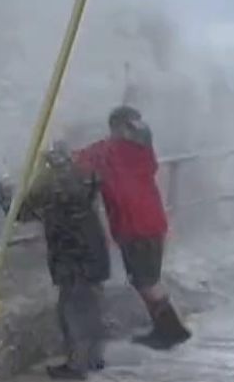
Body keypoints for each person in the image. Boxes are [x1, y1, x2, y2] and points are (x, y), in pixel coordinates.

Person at [76, 106, 192, 350]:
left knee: (147, 282)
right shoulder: (143, 152)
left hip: (134, 227)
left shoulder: (109, 152)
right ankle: (166, 329)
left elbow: (80, 161)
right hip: (152, 223)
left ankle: (172, 331)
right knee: (146, 280)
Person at [0, 145, 110, 379]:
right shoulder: (83, 176)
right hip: (94, 251)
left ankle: (77, 365)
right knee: (92, 307)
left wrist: (1, 194)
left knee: (71, 309)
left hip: (72, 257)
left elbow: (20, 212)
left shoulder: (50, 186)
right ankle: (94, 358)